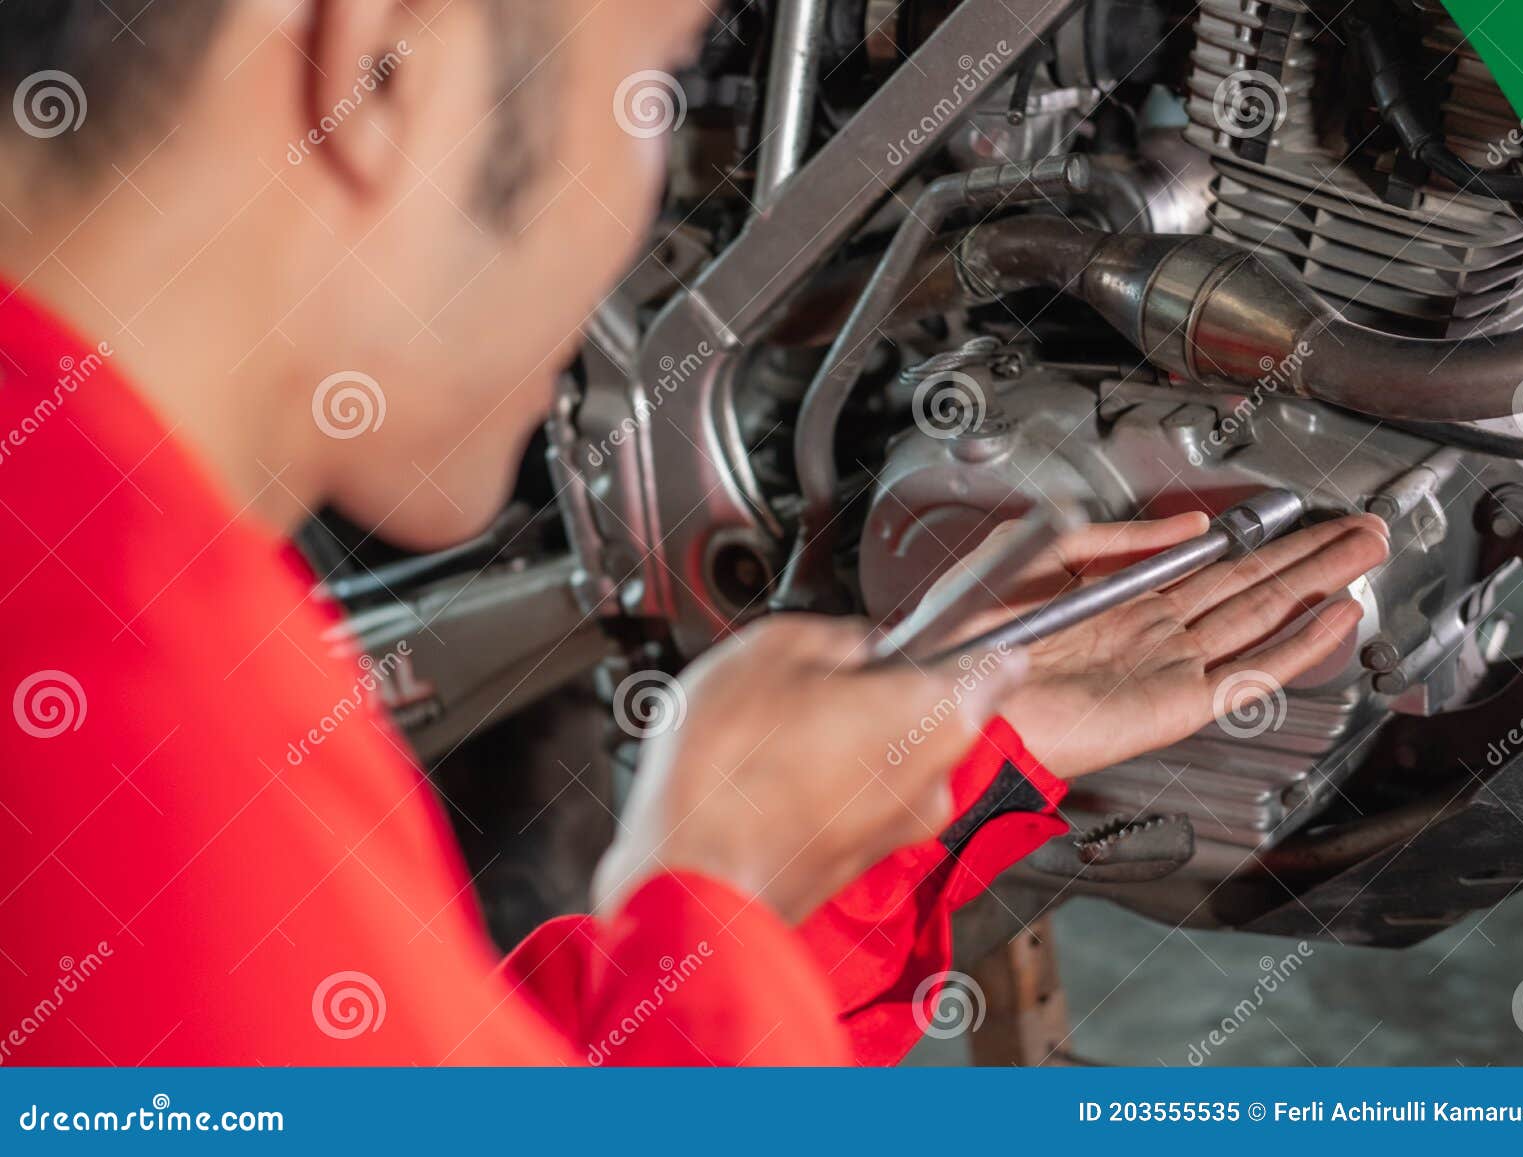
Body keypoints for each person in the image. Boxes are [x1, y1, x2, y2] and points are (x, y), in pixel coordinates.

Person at [0, 0, 1388, 1065]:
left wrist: (776, 889)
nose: (637, 193)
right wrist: (713, 884)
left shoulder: (113, 609)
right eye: (649, 87)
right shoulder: (133, 766)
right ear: (382, 69)